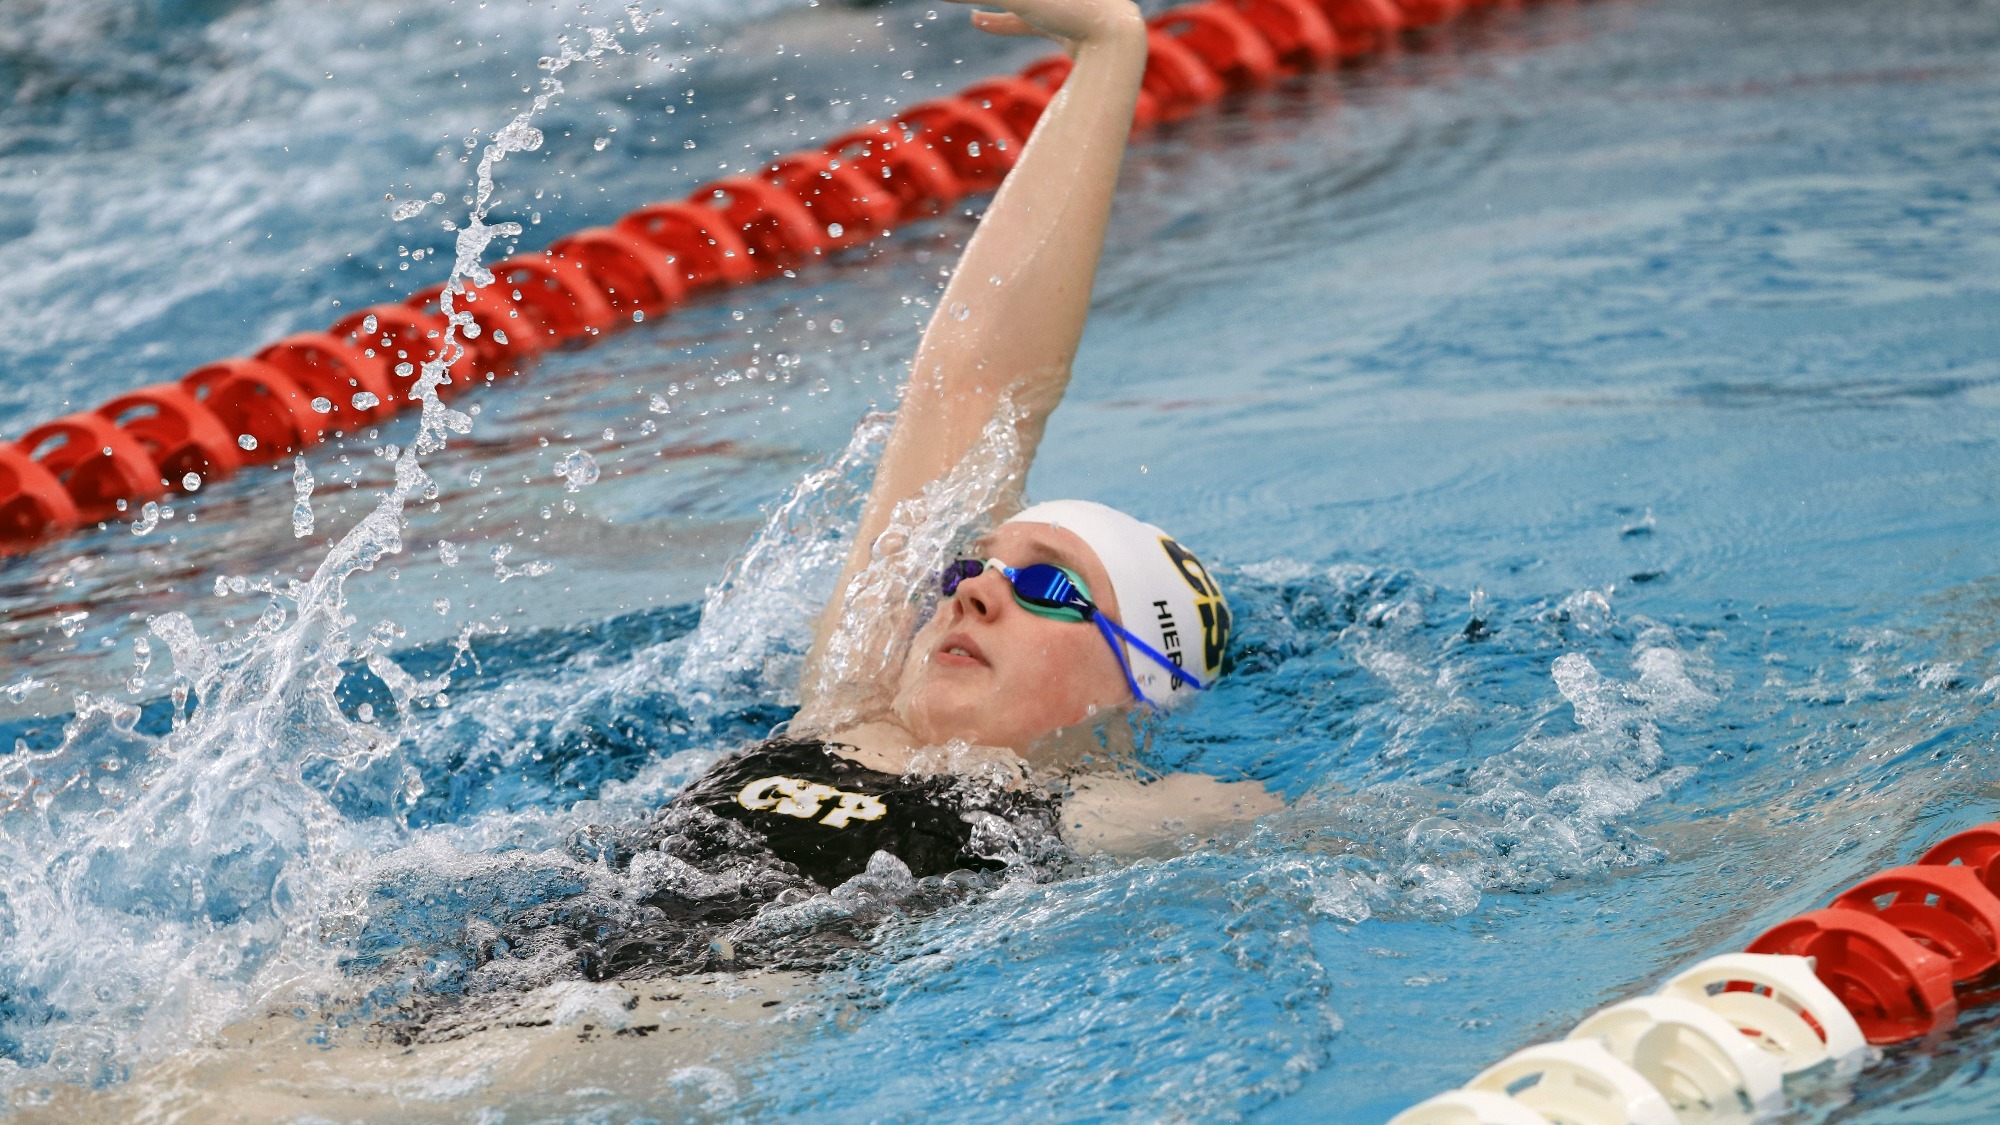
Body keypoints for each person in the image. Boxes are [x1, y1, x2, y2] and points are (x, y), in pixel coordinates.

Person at [638, 0, 1282, 933]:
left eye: (1049, 587)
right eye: (971, 567)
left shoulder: (1095, 812)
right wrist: (1108, 50)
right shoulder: (845, 706)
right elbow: (970, 386)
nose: (973, 592)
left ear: (1133, 688)